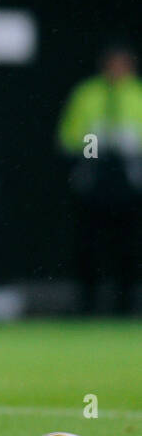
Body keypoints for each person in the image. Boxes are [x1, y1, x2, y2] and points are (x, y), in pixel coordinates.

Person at [57, 42, 142, 314]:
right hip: (96, 173)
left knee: (128, 244)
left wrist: (134, 144)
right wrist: (94, 142)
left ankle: (127, 305)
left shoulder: (138, 94)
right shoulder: (86, 93)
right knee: (89, 245)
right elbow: (67, 138)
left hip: (130, 177)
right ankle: (88, 305)